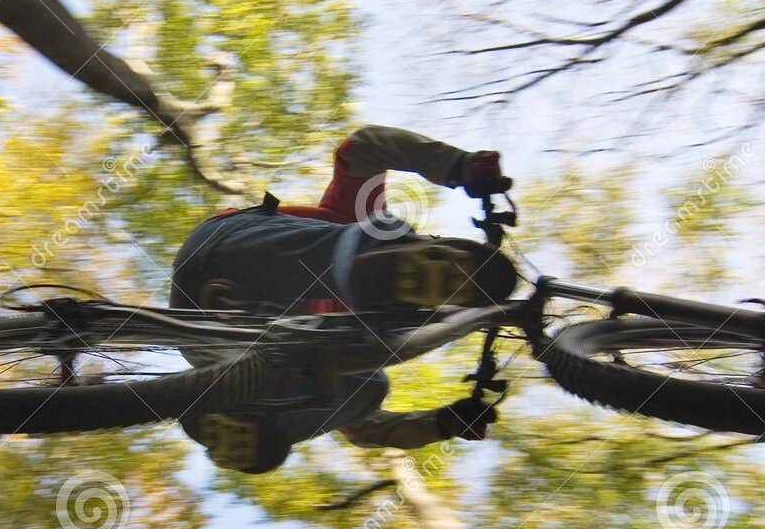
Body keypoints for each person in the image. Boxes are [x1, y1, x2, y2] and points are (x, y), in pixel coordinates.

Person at [169, 124, 517, 474]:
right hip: (229, 252)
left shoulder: (355, 348)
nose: (437, 285)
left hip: (216, 349)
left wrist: (441, 424)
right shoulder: (352, 218)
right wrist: (459, 165)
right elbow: (361, 148)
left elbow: (362, 425)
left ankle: (240, 419)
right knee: (358, 243)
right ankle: (366, 262)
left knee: (369, 389)